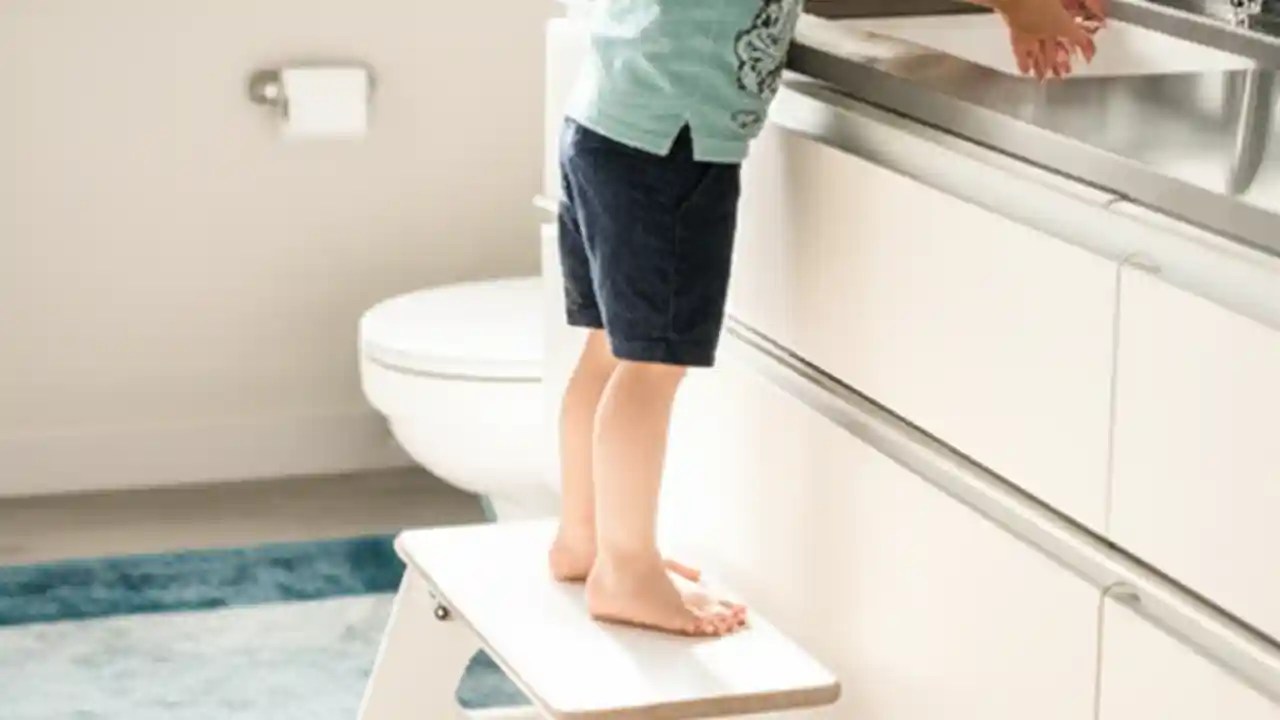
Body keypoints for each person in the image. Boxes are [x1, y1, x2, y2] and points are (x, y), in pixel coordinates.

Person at [549, 0, 1104, 637]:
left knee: (610, 351)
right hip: (672, 142)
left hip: (608, 121)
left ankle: (586, 540)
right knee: (651, 367)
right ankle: (625, 570)